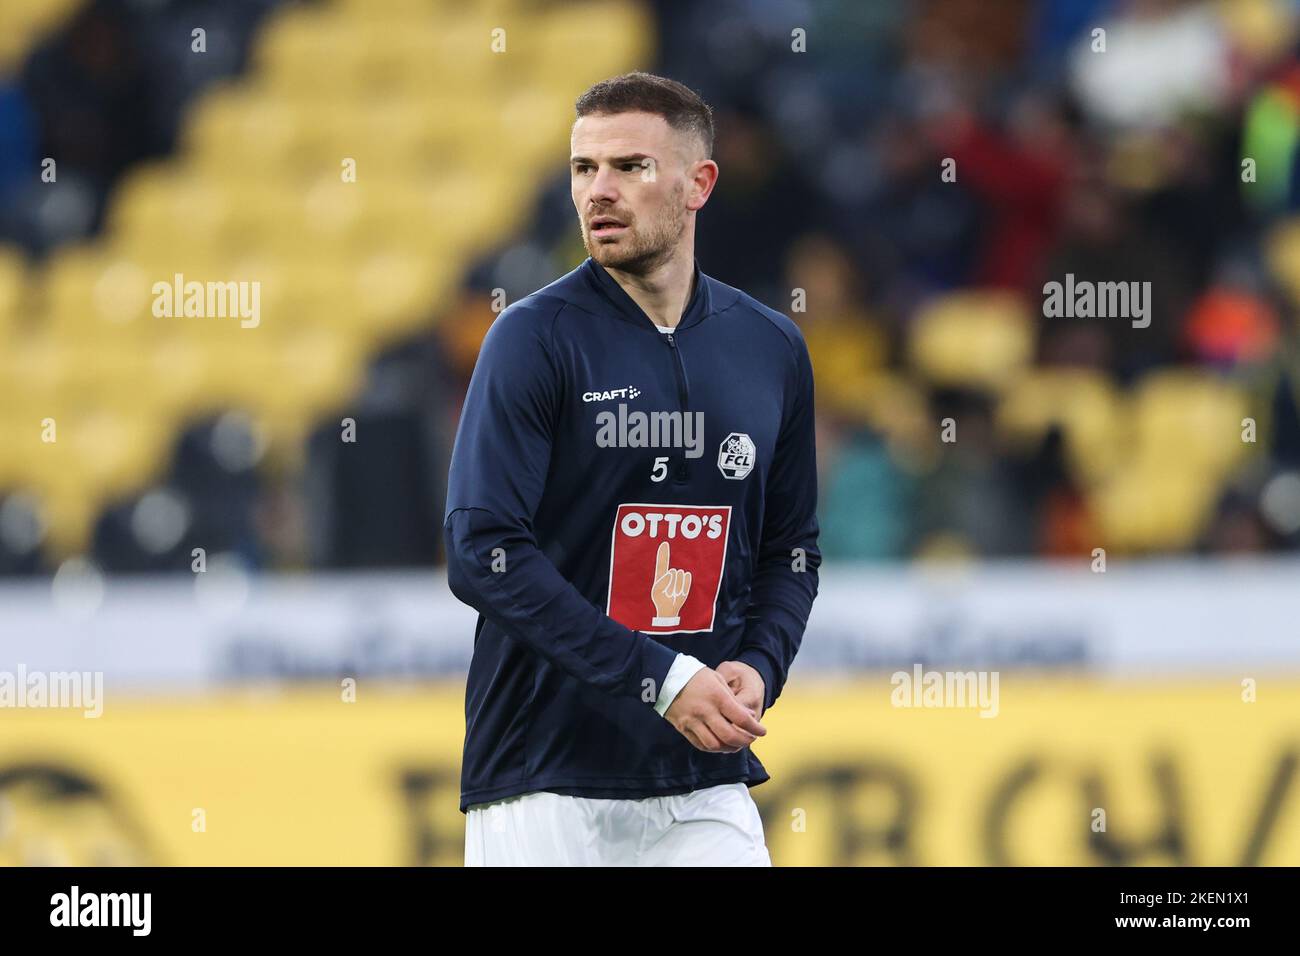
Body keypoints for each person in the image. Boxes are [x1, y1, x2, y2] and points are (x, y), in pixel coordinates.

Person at [444, 71, 820, 866]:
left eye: (630, 167)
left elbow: (791, 549)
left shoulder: (771, 348)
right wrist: (661, 676)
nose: (599, 192)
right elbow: (483, 553)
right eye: (584, 169)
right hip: (544, 779)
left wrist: (759, 663)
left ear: (698, 183)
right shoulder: (533, 340)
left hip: (703, 785)